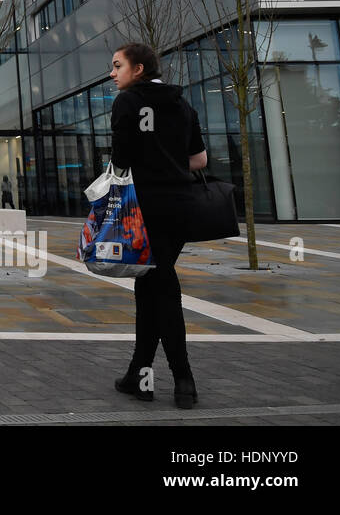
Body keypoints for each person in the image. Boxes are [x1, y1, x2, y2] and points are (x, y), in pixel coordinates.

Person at [109, 42, 206, 409]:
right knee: (151, 285)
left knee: (162, 289)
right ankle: (140, 375)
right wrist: (170, 162)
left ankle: (184, 379)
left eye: (118, 66)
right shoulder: (182, 103)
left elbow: (121, 160)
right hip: (181, 208)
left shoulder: (128, 102)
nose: (113, 73)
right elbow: (199, 159)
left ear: (138, 69)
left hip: (143, 209)